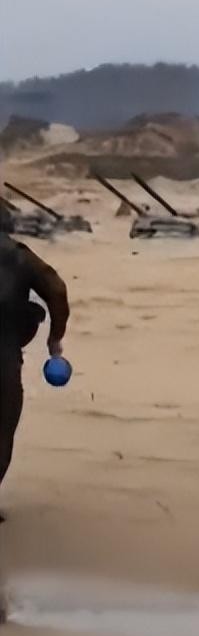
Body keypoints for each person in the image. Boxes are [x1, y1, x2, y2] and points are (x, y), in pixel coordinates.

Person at [0, 213, 70, 516]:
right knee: (2, 428)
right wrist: (54, 339)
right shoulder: (20, 256)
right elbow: (57, 290)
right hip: (4, 352)